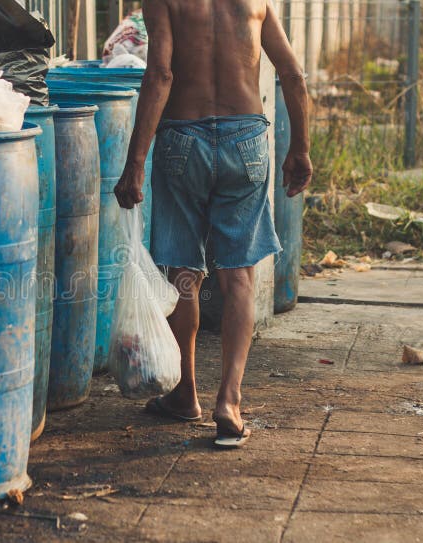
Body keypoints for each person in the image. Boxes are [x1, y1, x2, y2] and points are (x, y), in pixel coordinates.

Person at [113, 0, 313, 448]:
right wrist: (299, 147)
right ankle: (230, 401)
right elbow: (293, 75)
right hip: (246, 139)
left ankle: (186, 392)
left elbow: (161, 75)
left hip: (183, 136)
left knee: (184, 270)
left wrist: (135, 163)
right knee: (238, 276)